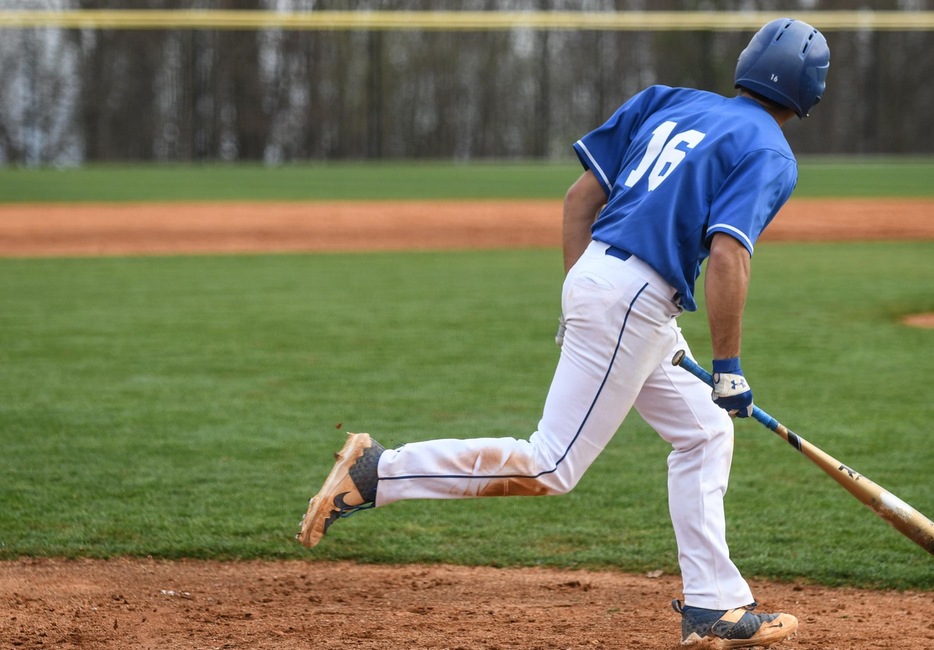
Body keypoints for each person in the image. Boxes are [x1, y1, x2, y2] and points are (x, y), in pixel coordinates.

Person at [297, 17, 829, 648]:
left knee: (703, 432)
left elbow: (580, 199)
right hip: (634, 299)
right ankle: (378, 472)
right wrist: (729, 363)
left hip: (605, 280)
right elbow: (728, 254)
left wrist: (585, 298)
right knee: (552, 463)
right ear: (809, 93)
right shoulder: (769, 150)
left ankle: (713, 607)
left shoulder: (667, 101)